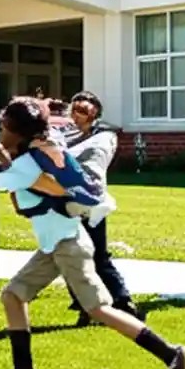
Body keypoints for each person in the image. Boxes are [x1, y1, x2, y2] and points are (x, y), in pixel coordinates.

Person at [0, 96, 185, 369]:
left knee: (100, 309)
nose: (1, 132)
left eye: (4, 126)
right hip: (53, 245)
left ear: (17, 131)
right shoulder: (37, 149)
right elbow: (3, 153)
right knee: (12, 296)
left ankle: (171, 354)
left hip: (69, 247)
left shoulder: (27, 164)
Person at [61, 90, 143, 326]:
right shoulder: (67, 135)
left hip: (92, 205)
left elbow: (93, 164)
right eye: (74, 110)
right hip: (67, 205)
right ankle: (86, 306)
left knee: (98, 256)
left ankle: (123, 301)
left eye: (84, 111)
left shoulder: (102, 137)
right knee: (70, 257)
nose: (78, 116)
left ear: (94, 113)